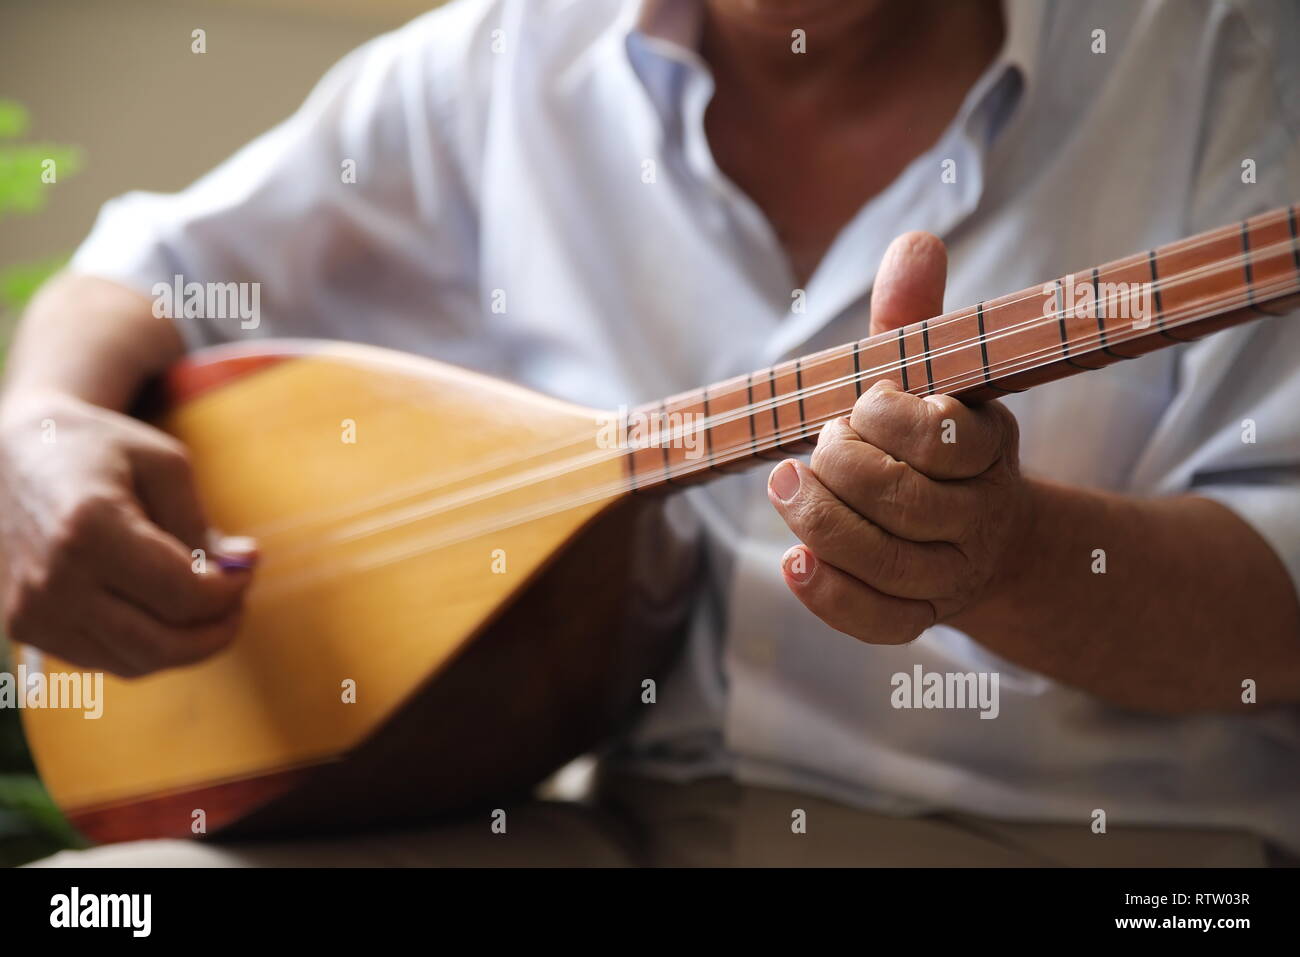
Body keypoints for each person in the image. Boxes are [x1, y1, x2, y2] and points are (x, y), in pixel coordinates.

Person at [6, 0, 1300, 867]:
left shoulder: (1232, 68)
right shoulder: (513, 57)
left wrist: (1010, 560)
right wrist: (42, 427)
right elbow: (154, 266)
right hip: (621, 827)